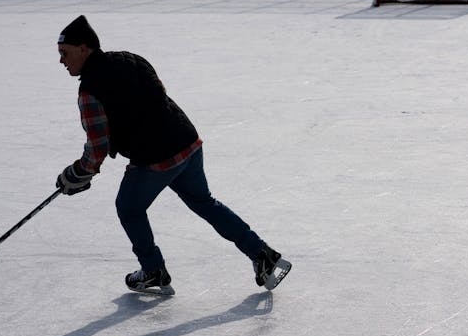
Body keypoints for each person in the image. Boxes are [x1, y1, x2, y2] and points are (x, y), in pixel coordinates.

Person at [53, 15, 290, 295]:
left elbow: (97, 146)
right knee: (205, 202)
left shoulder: (90, 90)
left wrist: (78, 173)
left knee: (129, 208)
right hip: (187, 143)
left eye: (65, 54)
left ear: (83, 48)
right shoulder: (132, 58)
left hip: (156, 157)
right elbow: (159, 94)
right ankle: (262, 254)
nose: (62, 61)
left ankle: (153, 271)